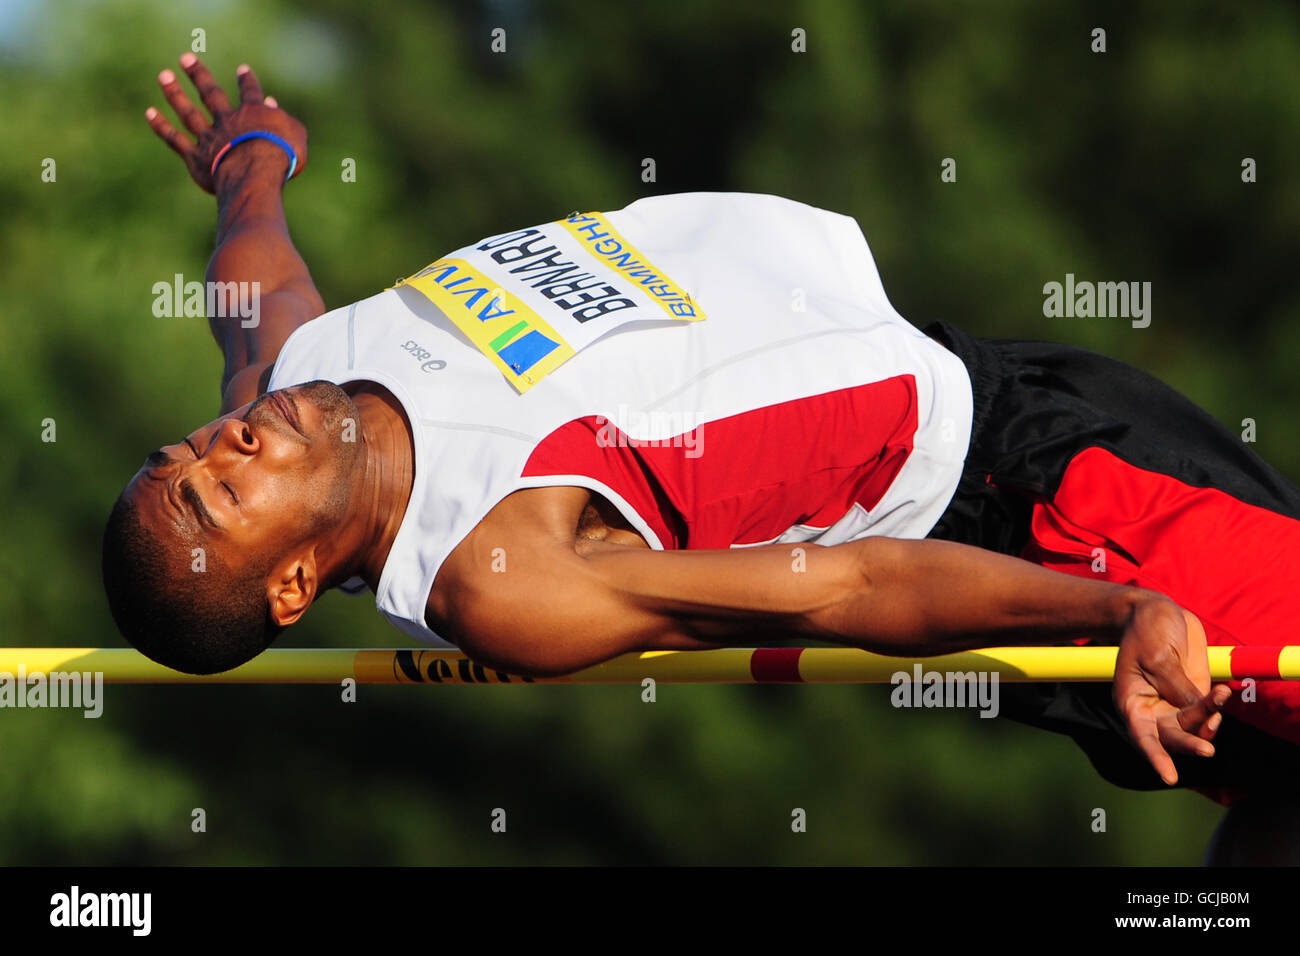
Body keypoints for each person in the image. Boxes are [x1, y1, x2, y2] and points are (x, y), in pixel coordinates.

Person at [103, 56, 1300, 858]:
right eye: (221, 490)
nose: (228, 440)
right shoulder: (500, 570)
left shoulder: (293, 368)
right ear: (295, 584)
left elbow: (250, 261)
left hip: (1000, 381)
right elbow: (852, 584)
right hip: (1029, 508)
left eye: (188, 447)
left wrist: (248, 157)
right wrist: (1117, 606)